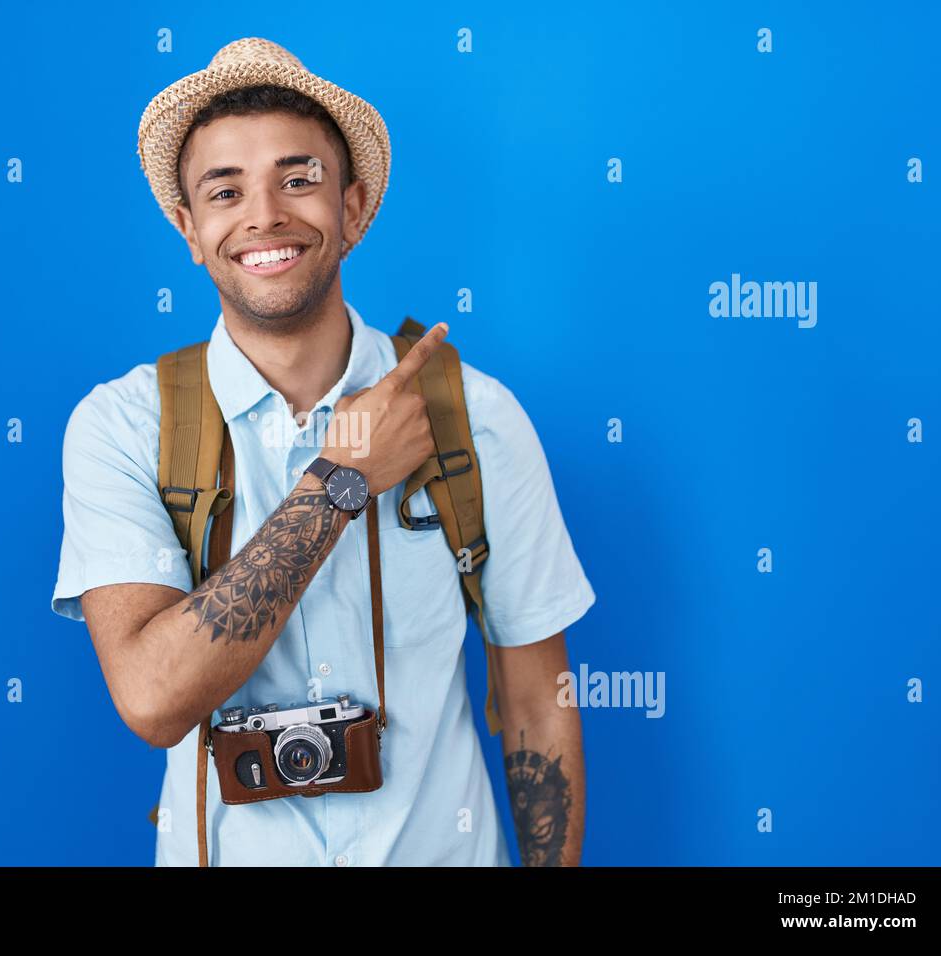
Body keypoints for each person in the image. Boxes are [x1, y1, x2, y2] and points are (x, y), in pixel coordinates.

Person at [51, 37, 596, 866]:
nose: (264, 214)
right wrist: (344, 480)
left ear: (352, 204)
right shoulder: (123, 426)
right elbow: (154, 699)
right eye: (224, 191)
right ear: (189, 229)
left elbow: (535, 701)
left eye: (298, 179)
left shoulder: (472, 417)